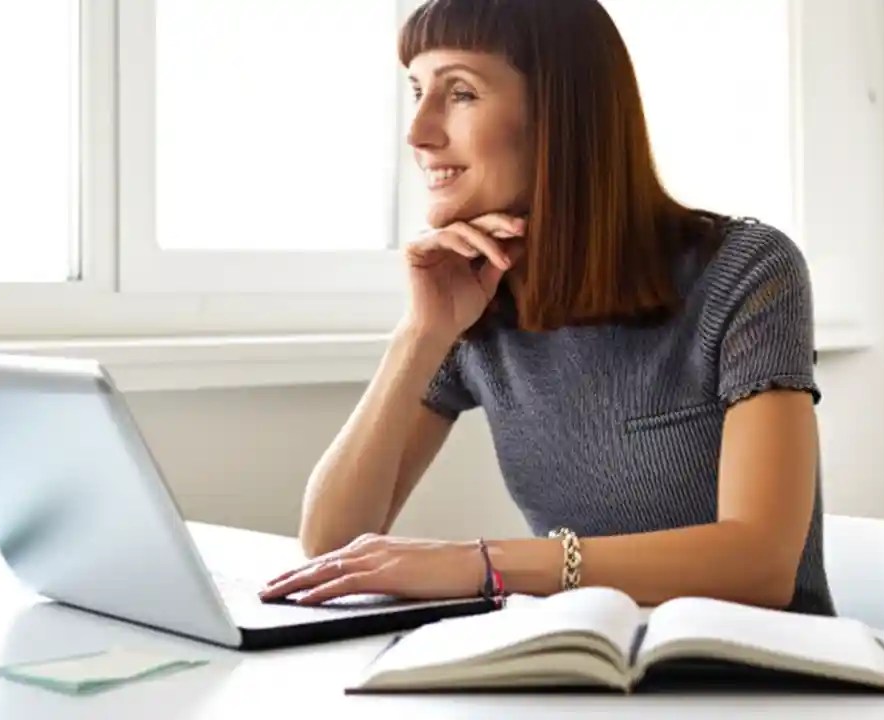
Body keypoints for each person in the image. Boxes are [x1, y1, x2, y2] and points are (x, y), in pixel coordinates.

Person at [259, 0, 835, 616]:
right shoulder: (475, 302)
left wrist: (481, 564)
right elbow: (330, 546)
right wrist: (420, 332)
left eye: (460, 93)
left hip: (767, 679)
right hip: (589, 667)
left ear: (561, 115)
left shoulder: (747, 270)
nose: (419, 131)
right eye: (417, 89)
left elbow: (760, 566)